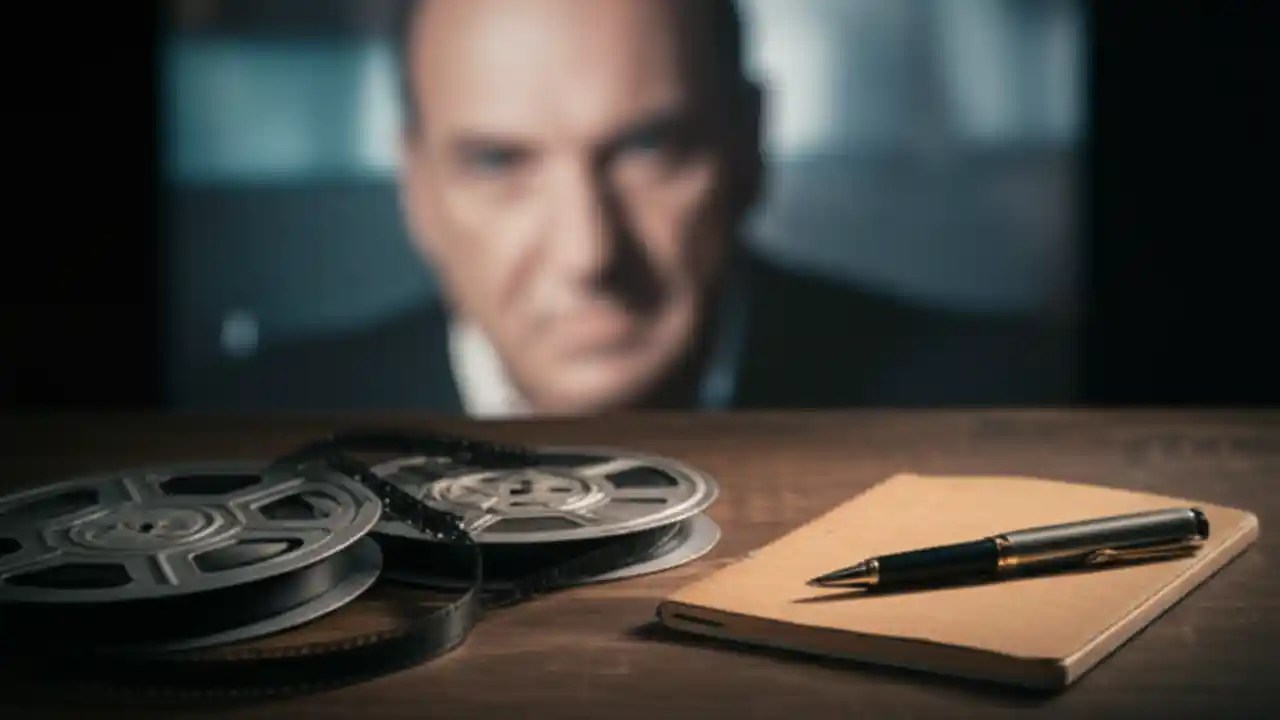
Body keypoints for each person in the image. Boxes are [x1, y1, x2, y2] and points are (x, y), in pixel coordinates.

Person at [190, 0, 1073, 415]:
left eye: (649, 150)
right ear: (414, 187)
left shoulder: (998, 411)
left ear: (748, 145)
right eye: (499, 162)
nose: (586, 254)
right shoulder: (238, 435)